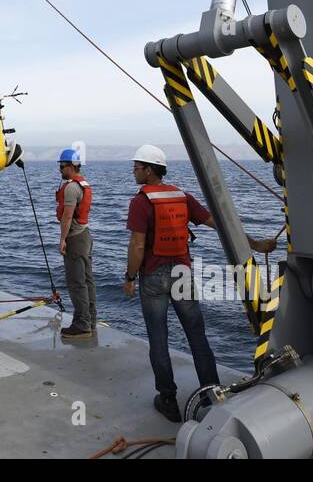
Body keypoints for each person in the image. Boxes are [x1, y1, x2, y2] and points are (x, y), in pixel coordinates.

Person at [122, 144, 275, 423]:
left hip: (154, 277)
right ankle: (213, 392)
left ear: (149, 169)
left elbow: (137, 245)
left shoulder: (140, 202)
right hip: (182, 273)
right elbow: (218, 223)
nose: (133, 170)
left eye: (137, 166)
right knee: (196, 334)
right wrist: (255, 243)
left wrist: (130, 277)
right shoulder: (182, 196)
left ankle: (168, 399)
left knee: (158, 338)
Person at [55, 148, 96, 338]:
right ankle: (91, 320)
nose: (60, 170)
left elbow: (67, 215)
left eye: (62, 167)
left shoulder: (71, 187)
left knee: (76, 282)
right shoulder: (84, 184)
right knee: (88, 280)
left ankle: (81, 323)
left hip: (75, 239)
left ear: (71, 167)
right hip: (86, 235)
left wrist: (63, 239)